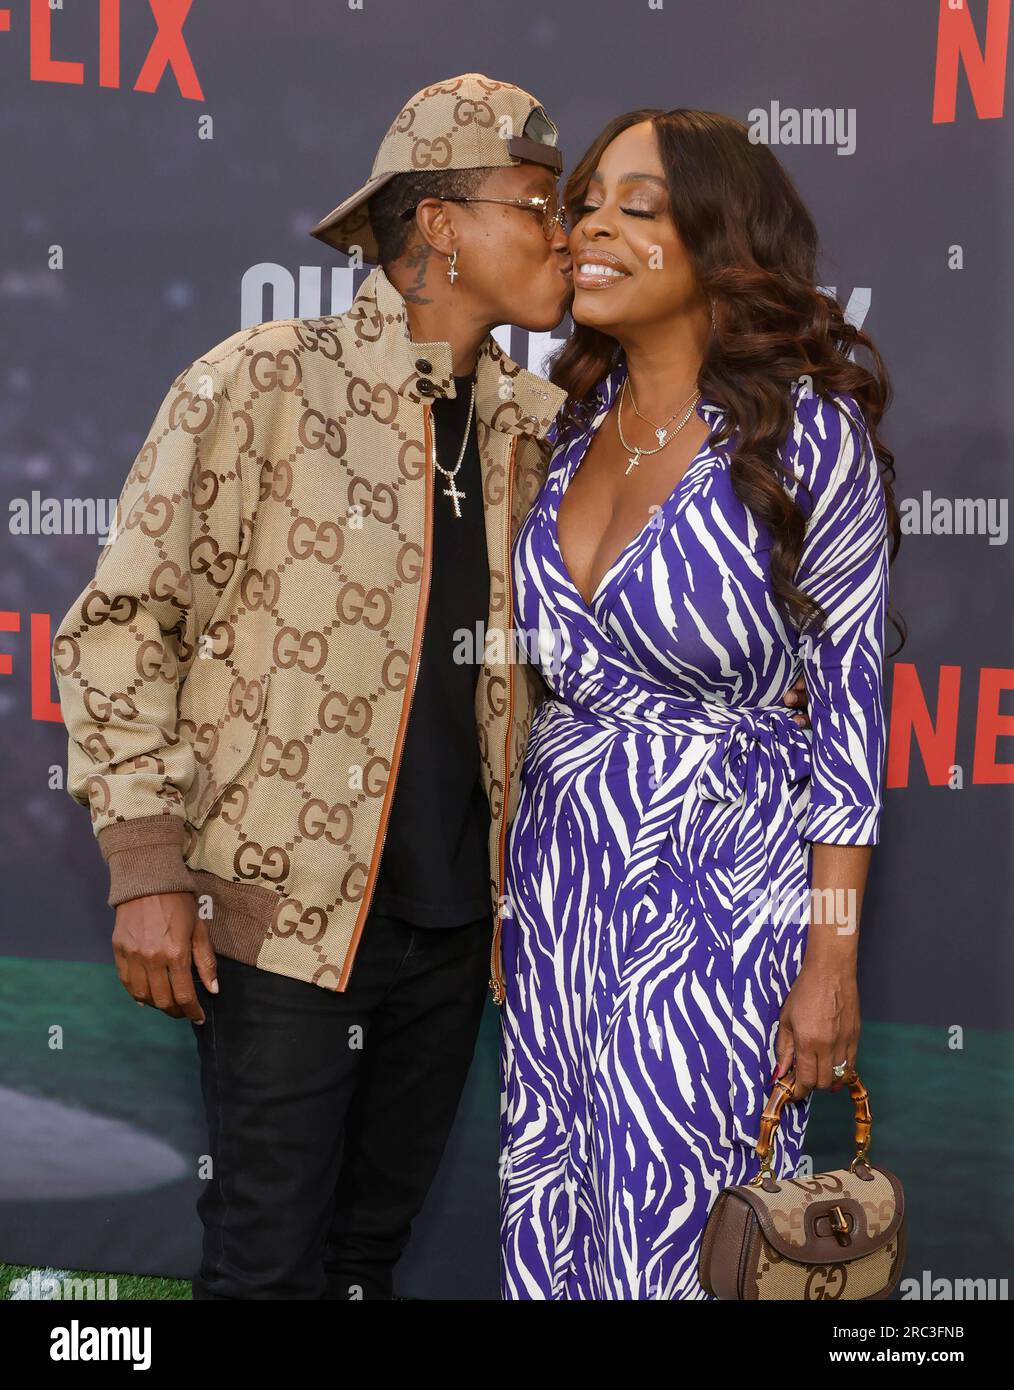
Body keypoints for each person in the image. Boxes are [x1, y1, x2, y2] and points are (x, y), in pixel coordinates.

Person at [51, 74, 809, 1301]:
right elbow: (123, 624)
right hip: (286, 925)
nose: (567, 235)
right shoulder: (260, 383)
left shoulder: (538, 425)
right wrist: (146, 865)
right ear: (441, 227)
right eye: (537, 205)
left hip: (459, 936)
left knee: (365, 1263)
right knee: (266, 1264)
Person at [498, 109, 901, 1300]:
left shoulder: (807, 440)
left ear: (720, 241)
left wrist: (831, 957)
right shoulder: (571, 434)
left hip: (719, 900)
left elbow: (853, 712)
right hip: (563, 885)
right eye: (586, 201)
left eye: (639, 204)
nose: (593, 228)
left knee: (687, 1236)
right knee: (553, 1200)